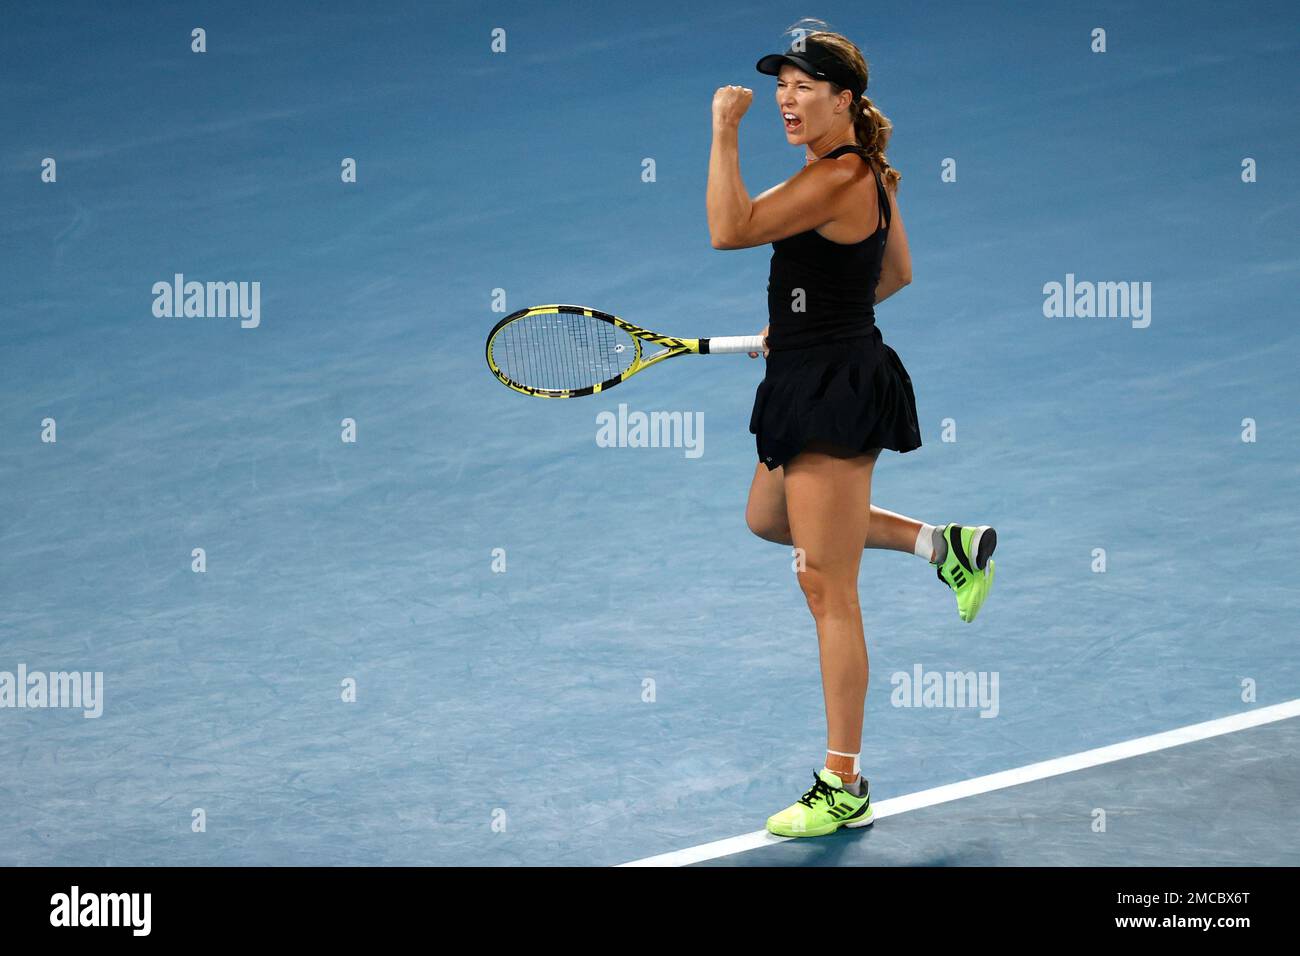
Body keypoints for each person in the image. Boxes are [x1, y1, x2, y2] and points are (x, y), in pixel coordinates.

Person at [706, 23, 998, 838]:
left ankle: (844, 784)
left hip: (834, 389)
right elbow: (892, 272)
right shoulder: (853, 171)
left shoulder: (839, 176)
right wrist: (811, 321)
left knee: (825, 585)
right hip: (809, 369)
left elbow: (729, 229)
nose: (786, 101)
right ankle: (948, 548)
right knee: (769, 519)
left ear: (845, 99)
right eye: (779, 88)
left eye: (804, 87)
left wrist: (725, 132)